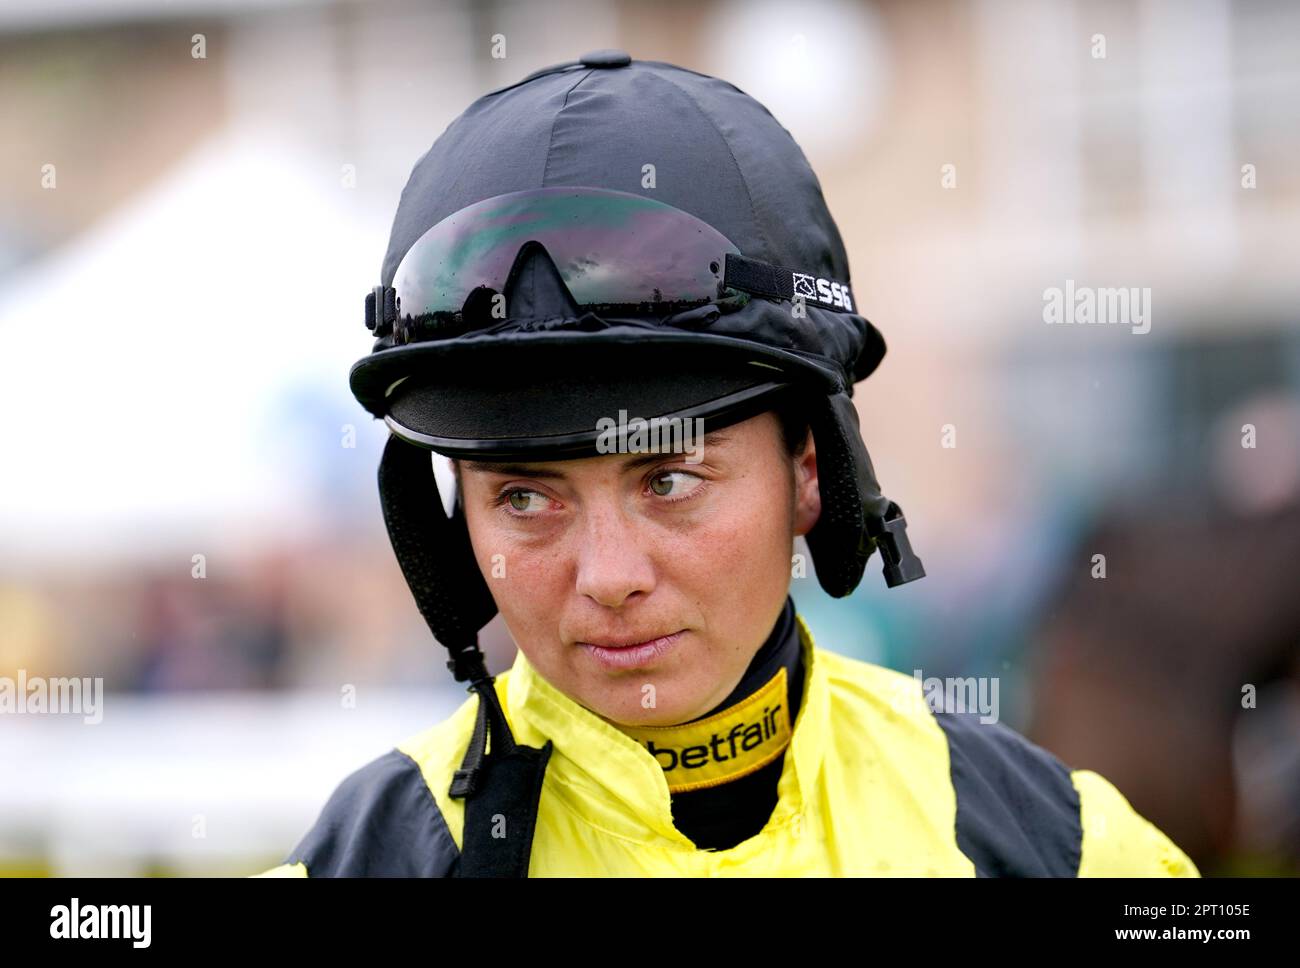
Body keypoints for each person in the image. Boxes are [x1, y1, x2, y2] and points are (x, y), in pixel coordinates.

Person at [255, 50, 1198, 877]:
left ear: (811, 472)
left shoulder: (1059, 849)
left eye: (667, 480)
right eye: (525, 497)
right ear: (453, 525)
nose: (609, 579)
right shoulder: (373, 861)